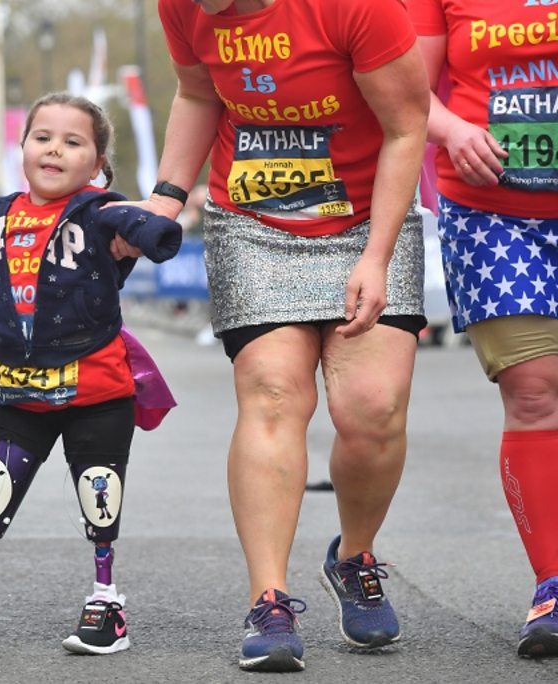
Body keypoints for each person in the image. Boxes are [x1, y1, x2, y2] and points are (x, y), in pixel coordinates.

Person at [123, 0, 430, 672]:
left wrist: (377, 256)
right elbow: (198, 91)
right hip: (254, 222)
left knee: (372, 408)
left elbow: (408, 126)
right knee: (272, 392)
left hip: (366, 218)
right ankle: (270, 597)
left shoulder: (353, 9)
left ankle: (353, 557)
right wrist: (166, 199)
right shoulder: (184, 8)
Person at [0, 92, 181, 655]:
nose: (54, 149)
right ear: (22, 147)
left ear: (97, 163)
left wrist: (152, 231)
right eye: (42, 137)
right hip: (18, 393)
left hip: (98, 392)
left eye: (72, 141)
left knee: (99, 497)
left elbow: (132, 221)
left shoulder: (99, 214)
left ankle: (106, 603)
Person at [408, 0, 558, 659]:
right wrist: (453, 129)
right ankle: (553, 584)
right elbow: (405, 85)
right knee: (533, 392)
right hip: (493, 217)